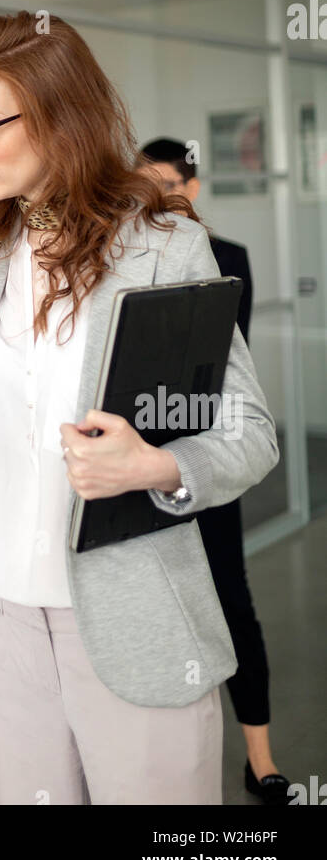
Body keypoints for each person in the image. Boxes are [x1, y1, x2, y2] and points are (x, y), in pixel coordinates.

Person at [0, 10, 279, 805]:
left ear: (59, 116)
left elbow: (249, 431)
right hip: (5, 622)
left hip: (134, 618)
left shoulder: (162, 246)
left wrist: (156, 463)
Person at [139, 137, 291, 807]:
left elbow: (227, 370)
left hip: (201, 452)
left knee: (231, 599)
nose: (158, 195)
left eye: (169, 183)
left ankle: (260, 759)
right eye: (144, 183)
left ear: (193, 188)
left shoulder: (228, 259)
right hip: (139, 459)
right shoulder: (129, 255)